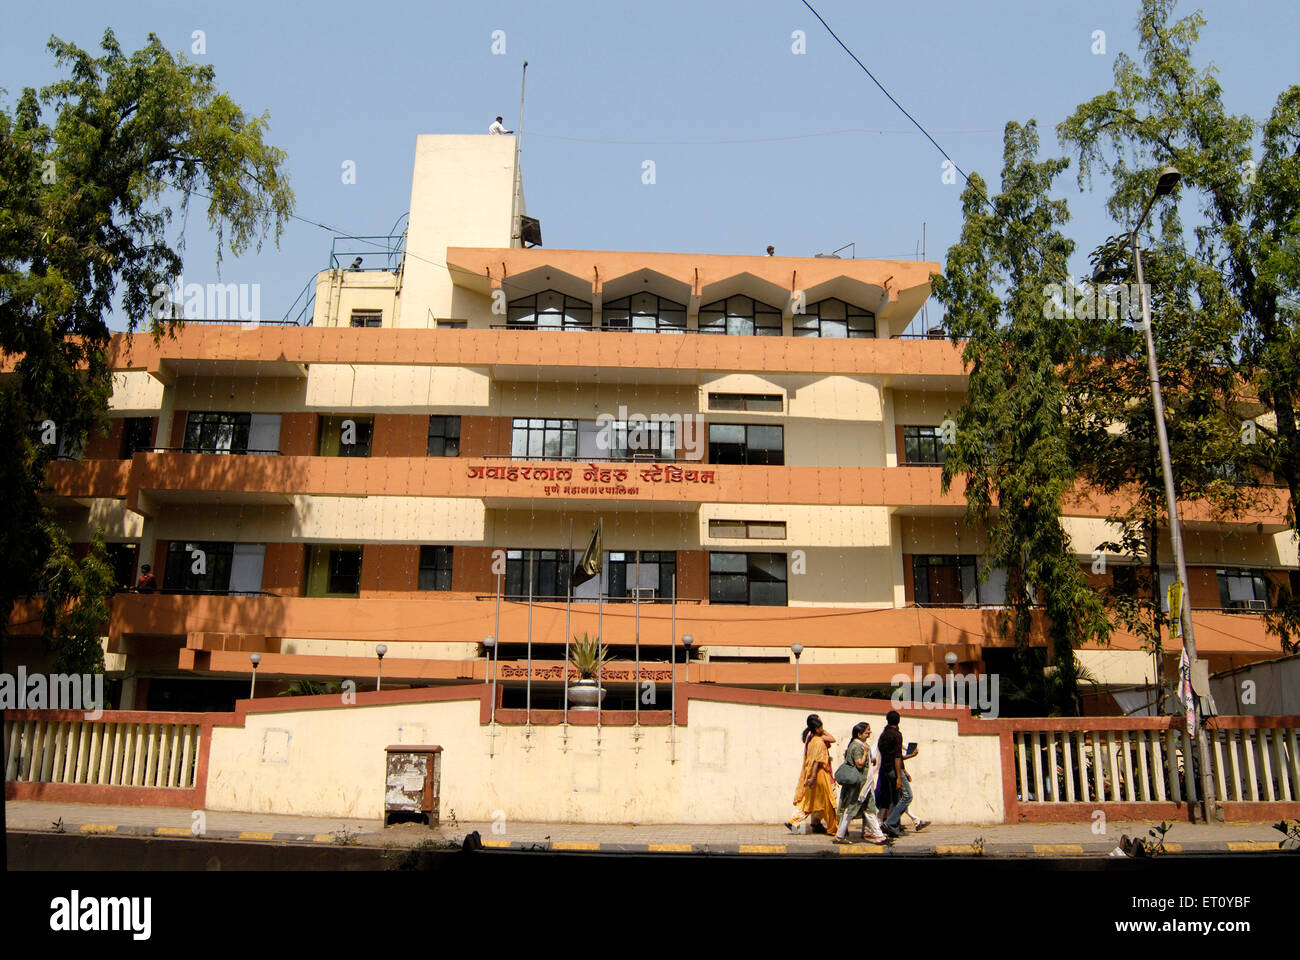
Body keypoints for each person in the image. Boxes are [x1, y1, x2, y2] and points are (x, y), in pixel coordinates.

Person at [833, 721, 889, 844]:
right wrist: (864, 754)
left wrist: (870, 759)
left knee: (869, 809)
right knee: (851, 809)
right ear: (859, 734)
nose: (869, 732)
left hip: (865, 784)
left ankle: (879, 836)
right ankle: (840, 836)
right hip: (860, 785)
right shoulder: (857, 746)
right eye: (867, 730)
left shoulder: (861, 745)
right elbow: (859, 764)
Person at [786, 714, 838, 835]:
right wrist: (813, 777)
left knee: (811, 802)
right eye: (820, 726)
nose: (822, 729)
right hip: (820, 774)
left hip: (815, 775)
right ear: (816, 728)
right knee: (828, 801)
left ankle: (795, 821)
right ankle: (833, 829)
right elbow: (817, 761)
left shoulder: (811, 739)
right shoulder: (819, 741)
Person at [875, 709, 917, 838]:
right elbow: (897, 757)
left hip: (886, 770)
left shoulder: (883, 735)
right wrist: (900, 776)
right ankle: (889, 823)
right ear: (898, 721)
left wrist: (908, 756)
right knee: (907, 796)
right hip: (894, 770)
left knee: (895, 799)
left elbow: (891, 756)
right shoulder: (897, 735)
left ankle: (894, 828)